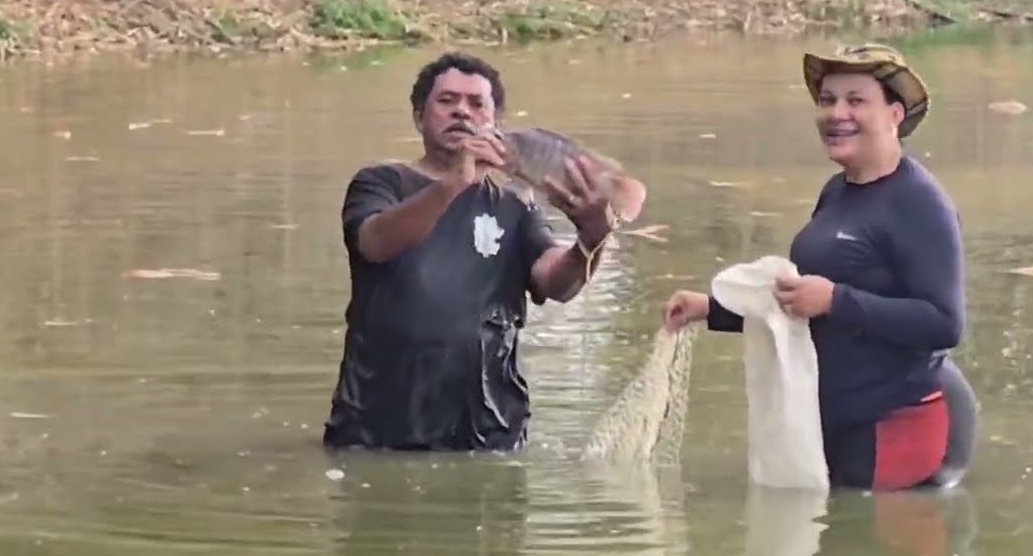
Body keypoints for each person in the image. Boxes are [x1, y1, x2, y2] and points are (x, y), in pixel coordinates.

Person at [662, 42, 978, 492]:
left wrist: (836, 299)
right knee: (824, 532)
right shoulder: (837, 192)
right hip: (832, 417)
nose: (836, 113)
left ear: (894, 114)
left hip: (903, 421)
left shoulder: (920, 204)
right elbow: (805, 306)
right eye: (828, 100)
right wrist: (711, 309)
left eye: (856, 100)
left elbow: (944, 324)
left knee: (860, 536)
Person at [322, 52, 619, 452]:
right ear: (419, 117)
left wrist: (592, 239)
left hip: (489, 426)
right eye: (446, 101)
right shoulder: (381, 182)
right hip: (376, 424)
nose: (462, 111)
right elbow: (375, 243)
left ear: (496, 124)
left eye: (477, 104)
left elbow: (556, 283)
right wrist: (454, 183)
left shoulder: (515, 206)